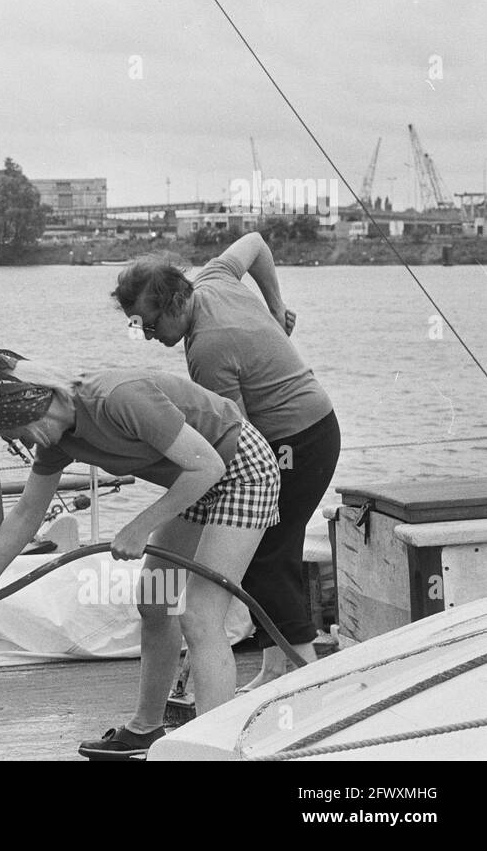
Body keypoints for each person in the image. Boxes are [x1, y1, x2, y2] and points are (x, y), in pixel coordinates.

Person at [0, 351, 280, 758]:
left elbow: (207, 467)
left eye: (20, 432)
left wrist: (139, 526)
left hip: (240, 470)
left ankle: (216, 750)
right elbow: (27, 512)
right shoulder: (58, 439)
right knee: (156, 601)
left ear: (36, 406)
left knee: (201, 616)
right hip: (193, 484)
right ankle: (146, 729)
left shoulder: (118, 399)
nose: (23, 443)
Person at [112, 233, 340, 688]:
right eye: (137, 327)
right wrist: (276, 306)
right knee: (271, 549)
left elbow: (238, 440)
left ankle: (309, 677)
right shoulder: (213, 278)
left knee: (265, 556)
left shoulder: (207, 350)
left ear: (177, 302)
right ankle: (276, 667)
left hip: (299, 442)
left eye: (151, 325)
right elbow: (255, 243)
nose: (148, 337)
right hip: (312, 428)